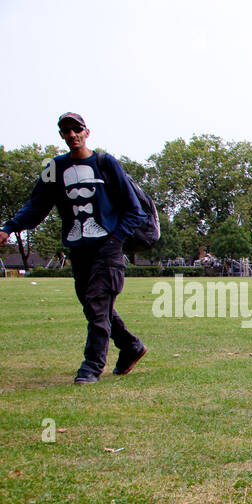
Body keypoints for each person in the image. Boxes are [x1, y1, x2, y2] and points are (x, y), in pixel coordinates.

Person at [0, 112, 148, 384]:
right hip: (79, 250)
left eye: (76, 129)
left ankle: (91, 366)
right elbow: (36, 205)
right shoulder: (54, 168)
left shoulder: (106, 163)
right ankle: (131, 346)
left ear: (87, 132)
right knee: (94, 307)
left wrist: (115, 240)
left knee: (96, 305)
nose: (72, 135)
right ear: (61, 135)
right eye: (65, 131)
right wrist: (9, 228)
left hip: (108, 248)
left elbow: (134, 211)